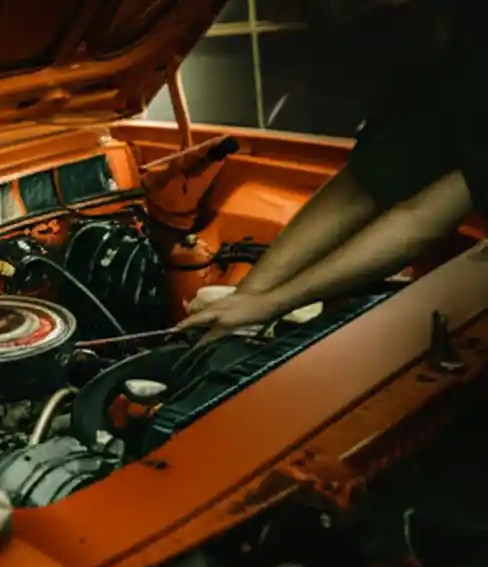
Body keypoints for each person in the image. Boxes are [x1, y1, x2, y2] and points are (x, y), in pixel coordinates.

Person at [179, 0, 487, 339]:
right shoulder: (428, 52)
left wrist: (272, 303)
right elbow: (362, 184)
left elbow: (423, 217)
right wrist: (247, 297)